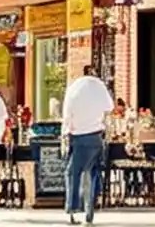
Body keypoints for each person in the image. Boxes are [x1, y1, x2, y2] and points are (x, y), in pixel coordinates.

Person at [61, 65, 113, 225]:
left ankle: (73, 210)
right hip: (96, 136)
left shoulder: (73, 87)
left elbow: (67, 114)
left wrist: (65, 133)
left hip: (77, 136)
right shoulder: (99, 85)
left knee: (73, 173)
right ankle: (89, 212)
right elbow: (109, 107)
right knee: (92, 174)